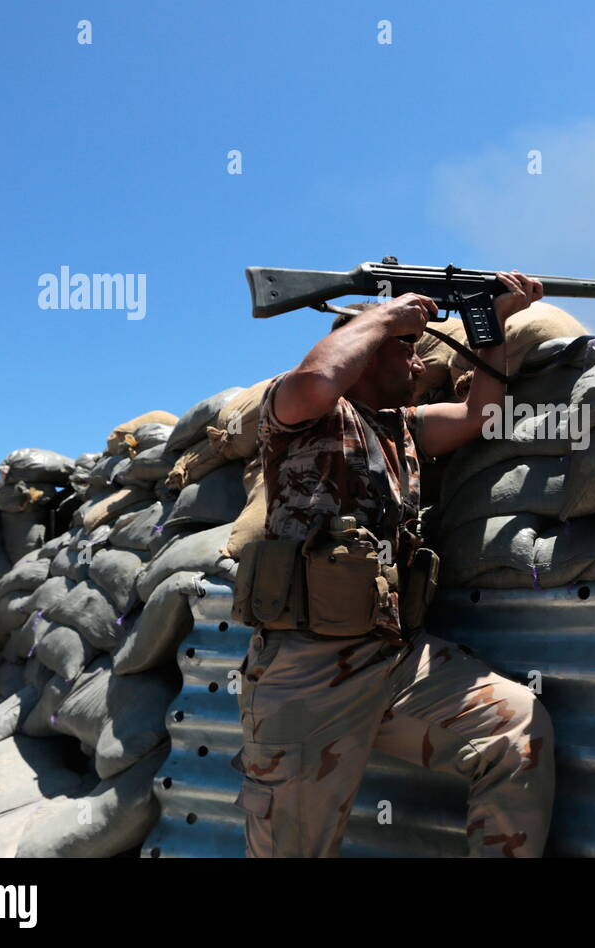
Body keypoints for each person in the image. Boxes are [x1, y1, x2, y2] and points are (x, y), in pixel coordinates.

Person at [232, 271, 555, 857]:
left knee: (516, 726)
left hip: (397, 663)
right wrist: (385, 314)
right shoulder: (305, 417)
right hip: (306, 674)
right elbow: (313, 380)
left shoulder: (406, 430)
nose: (419, 360)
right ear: (365, 355)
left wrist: (492, 320)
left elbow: (484, 412)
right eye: (407, 348)